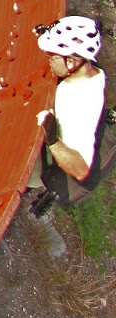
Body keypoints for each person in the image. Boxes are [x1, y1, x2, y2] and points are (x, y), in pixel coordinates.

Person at [29, 16, 107, 212]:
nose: (48, 60)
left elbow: (81, 170)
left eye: (52, 57)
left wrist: (53, 138)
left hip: (44, 165)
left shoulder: (80, 106)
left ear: (71, 62)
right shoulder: (92, 73)